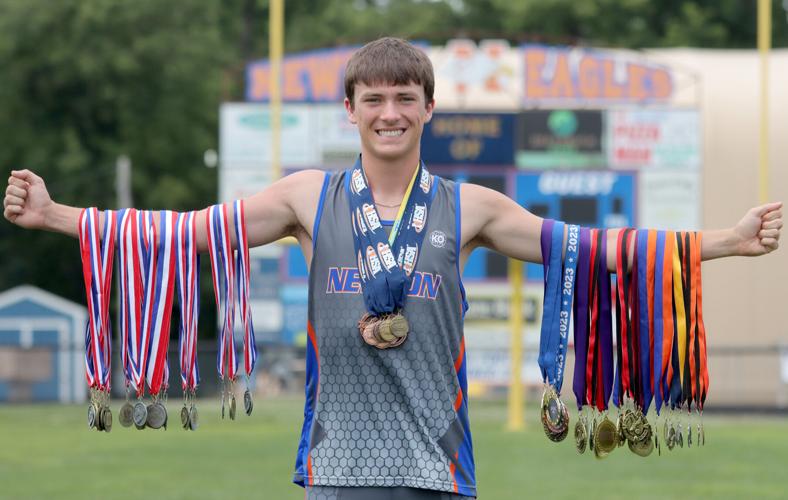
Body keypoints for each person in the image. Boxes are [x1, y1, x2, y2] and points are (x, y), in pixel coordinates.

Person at [3, 37, 783, 500]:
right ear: (350, 109)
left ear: (428, 108)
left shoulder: (469, 206)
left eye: (405, 98)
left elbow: (588, 250)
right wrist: (58, 216)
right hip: (336, 463)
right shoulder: (308, 197)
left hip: (438, 466)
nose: (390, 112)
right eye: (373, 98)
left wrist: (726, 240)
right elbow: (187, 236)